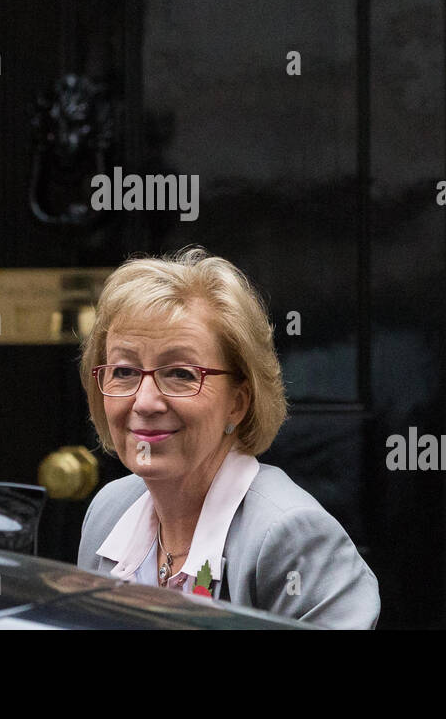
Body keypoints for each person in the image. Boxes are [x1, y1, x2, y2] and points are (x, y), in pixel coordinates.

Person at [76, 246, 380, 628]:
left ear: (238, 402)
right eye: (124, 371)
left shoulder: (290, 536)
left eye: (181, 374)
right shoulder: (110, 510)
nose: (146, 401)